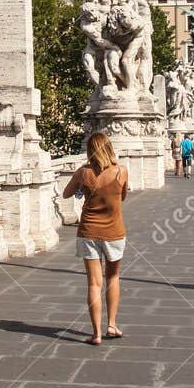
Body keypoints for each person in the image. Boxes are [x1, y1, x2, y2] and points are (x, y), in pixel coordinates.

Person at [63, 132, 128, 346]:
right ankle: (112, 324)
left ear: (90, 151)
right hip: (114, 232)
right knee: (113, 278)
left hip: (88, 231)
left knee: (93, 282)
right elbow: (123, 197)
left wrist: (83, 183)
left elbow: (65, 194)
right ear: (109, 148)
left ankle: (96, 333)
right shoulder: (121, 172)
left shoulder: (84, 173)